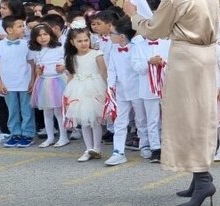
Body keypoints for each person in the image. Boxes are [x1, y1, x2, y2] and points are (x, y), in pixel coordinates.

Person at [124, 0, 220, 206]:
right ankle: (199, 174)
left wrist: (133, 14)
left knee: (186, 115)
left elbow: (156, 28)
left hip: (186, 56)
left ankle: (202, 179)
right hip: (205, 55)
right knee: (200, 113)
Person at [104, 20, 147, 166]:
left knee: (141, 119)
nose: (109, 35)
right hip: (121, 91)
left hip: (137, 89)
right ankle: (118, 151)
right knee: (120, 121)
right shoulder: (113, 49)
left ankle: (145, 144)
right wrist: (110, 88)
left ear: (122, 36)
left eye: (112, 33)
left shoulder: (136, 48)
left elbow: (139, 68)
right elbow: (111, 69)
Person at [62, 26, 107, 161]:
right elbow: (70, 75)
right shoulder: (71, 57)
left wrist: (107, 90)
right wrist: (67, 95)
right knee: (85, 122)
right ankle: (88, 149)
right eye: (79, 41)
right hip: (78, 89)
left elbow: (103, 72)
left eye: (86, 40)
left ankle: (97, 148)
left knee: (95, 121)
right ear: (72, 42)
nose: (83, 43)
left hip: (95, 88)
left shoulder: (97, 54)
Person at [0, 16, 35, 147]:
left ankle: (28, 134)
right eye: (19, 26)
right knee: (12, 110)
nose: (23, 28)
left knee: (26, 109)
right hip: (7, 83)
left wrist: (32, 80)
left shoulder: (26, 44)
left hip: (24, 81)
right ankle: (15, 133)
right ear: (9, 29)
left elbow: (32, 63)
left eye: (23, 26)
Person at [131, 30, 169, 163]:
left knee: (168, 118)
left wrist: (163, 63)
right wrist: (149, 62)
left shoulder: (167, 43)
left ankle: (168, 146)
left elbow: (174, 63)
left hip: (166, 86)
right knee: (152, 119)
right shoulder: (138, 46)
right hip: (148, 88)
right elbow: (136, 67)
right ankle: (155, 148)